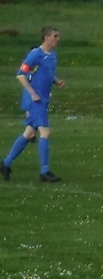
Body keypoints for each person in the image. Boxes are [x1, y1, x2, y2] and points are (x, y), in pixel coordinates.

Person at [3, 25, 66, 183]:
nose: (58, 39)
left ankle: (5, 164)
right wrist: (32, 93)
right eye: (55, 36)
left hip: (43, 99)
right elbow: (21, 75)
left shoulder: (52, 55)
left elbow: (48, 73)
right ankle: (45, 171)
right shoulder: (35, 54)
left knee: (29, 134)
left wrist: (57, 82)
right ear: (46, 38)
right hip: (34, 100)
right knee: (45, 132)